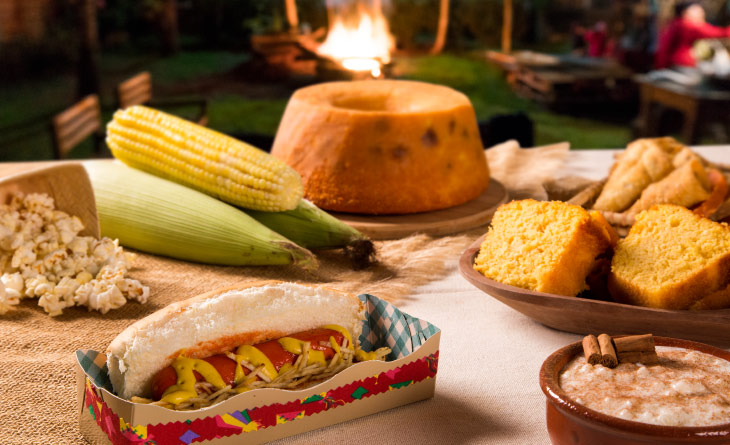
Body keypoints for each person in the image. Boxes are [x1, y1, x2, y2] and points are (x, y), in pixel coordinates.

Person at [654, 1, 730, 69]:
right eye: (696, 10)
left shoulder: (676, 23)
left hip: (673, 64)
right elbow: (719, 33)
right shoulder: (687, 25)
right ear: (685, 12)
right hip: (681, 64)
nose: (701, 13)